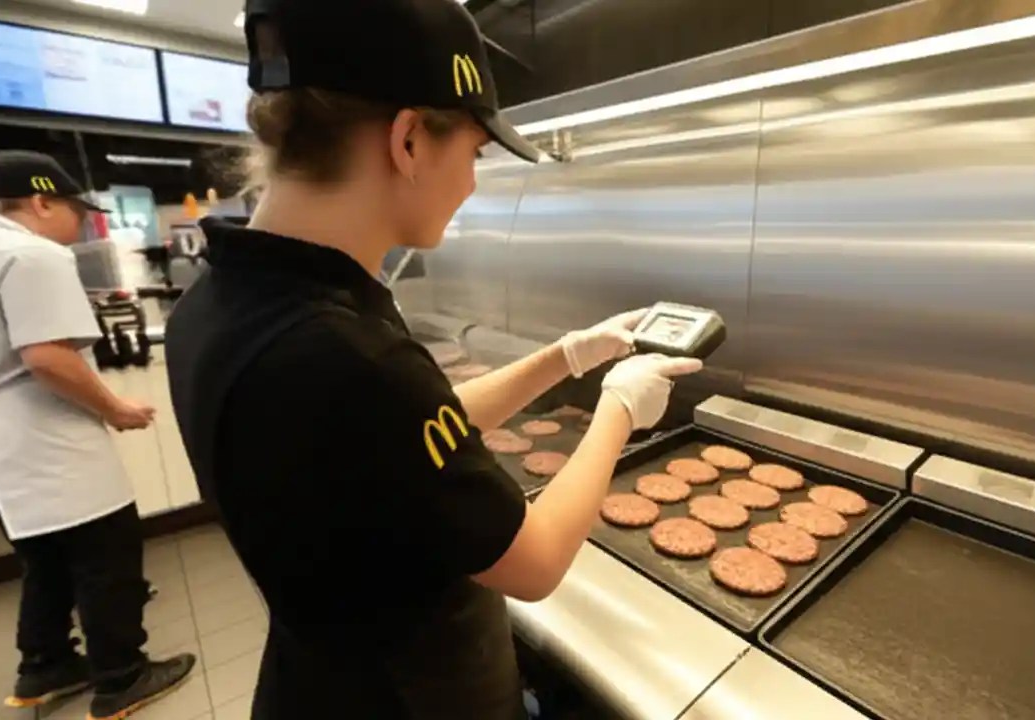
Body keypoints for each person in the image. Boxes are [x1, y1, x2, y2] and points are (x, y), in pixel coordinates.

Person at [163, 0, 704, 717]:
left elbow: (396, 443)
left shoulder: (223, 301)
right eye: (475, 152)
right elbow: (535, 560)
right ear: (410, 139)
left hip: (315, 683)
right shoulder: (345, 353)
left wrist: (565, 357)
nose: (475, 182)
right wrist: (619, 408)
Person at [0, 151, 196, 719]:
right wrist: (114, 407)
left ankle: (45, 664)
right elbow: (48, 357)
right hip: (47, 434)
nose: (82, 223)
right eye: (76, 210)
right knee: (107, 555)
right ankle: (123, 676)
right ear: (42, 201)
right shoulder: (31, 254)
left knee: (46, 560)